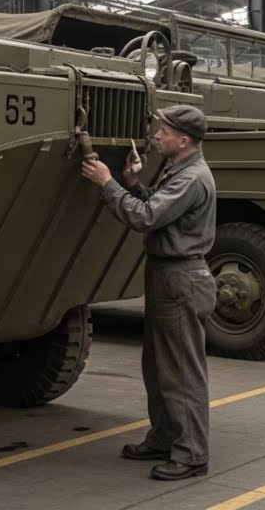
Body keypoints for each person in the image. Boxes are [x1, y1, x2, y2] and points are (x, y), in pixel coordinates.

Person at [80, 105, 217, 481]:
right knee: (158, 367)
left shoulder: (191, 178)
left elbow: (146, 217)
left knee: (181, 371)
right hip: (168, 276)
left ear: (183, 140)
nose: (156, 135)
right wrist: (133, 184)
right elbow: (157, 206)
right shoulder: (180, 171)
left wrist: (107, 182)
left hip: (180, 277)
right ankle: (165, 437)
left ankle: (192, 454)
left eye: (164, 131)